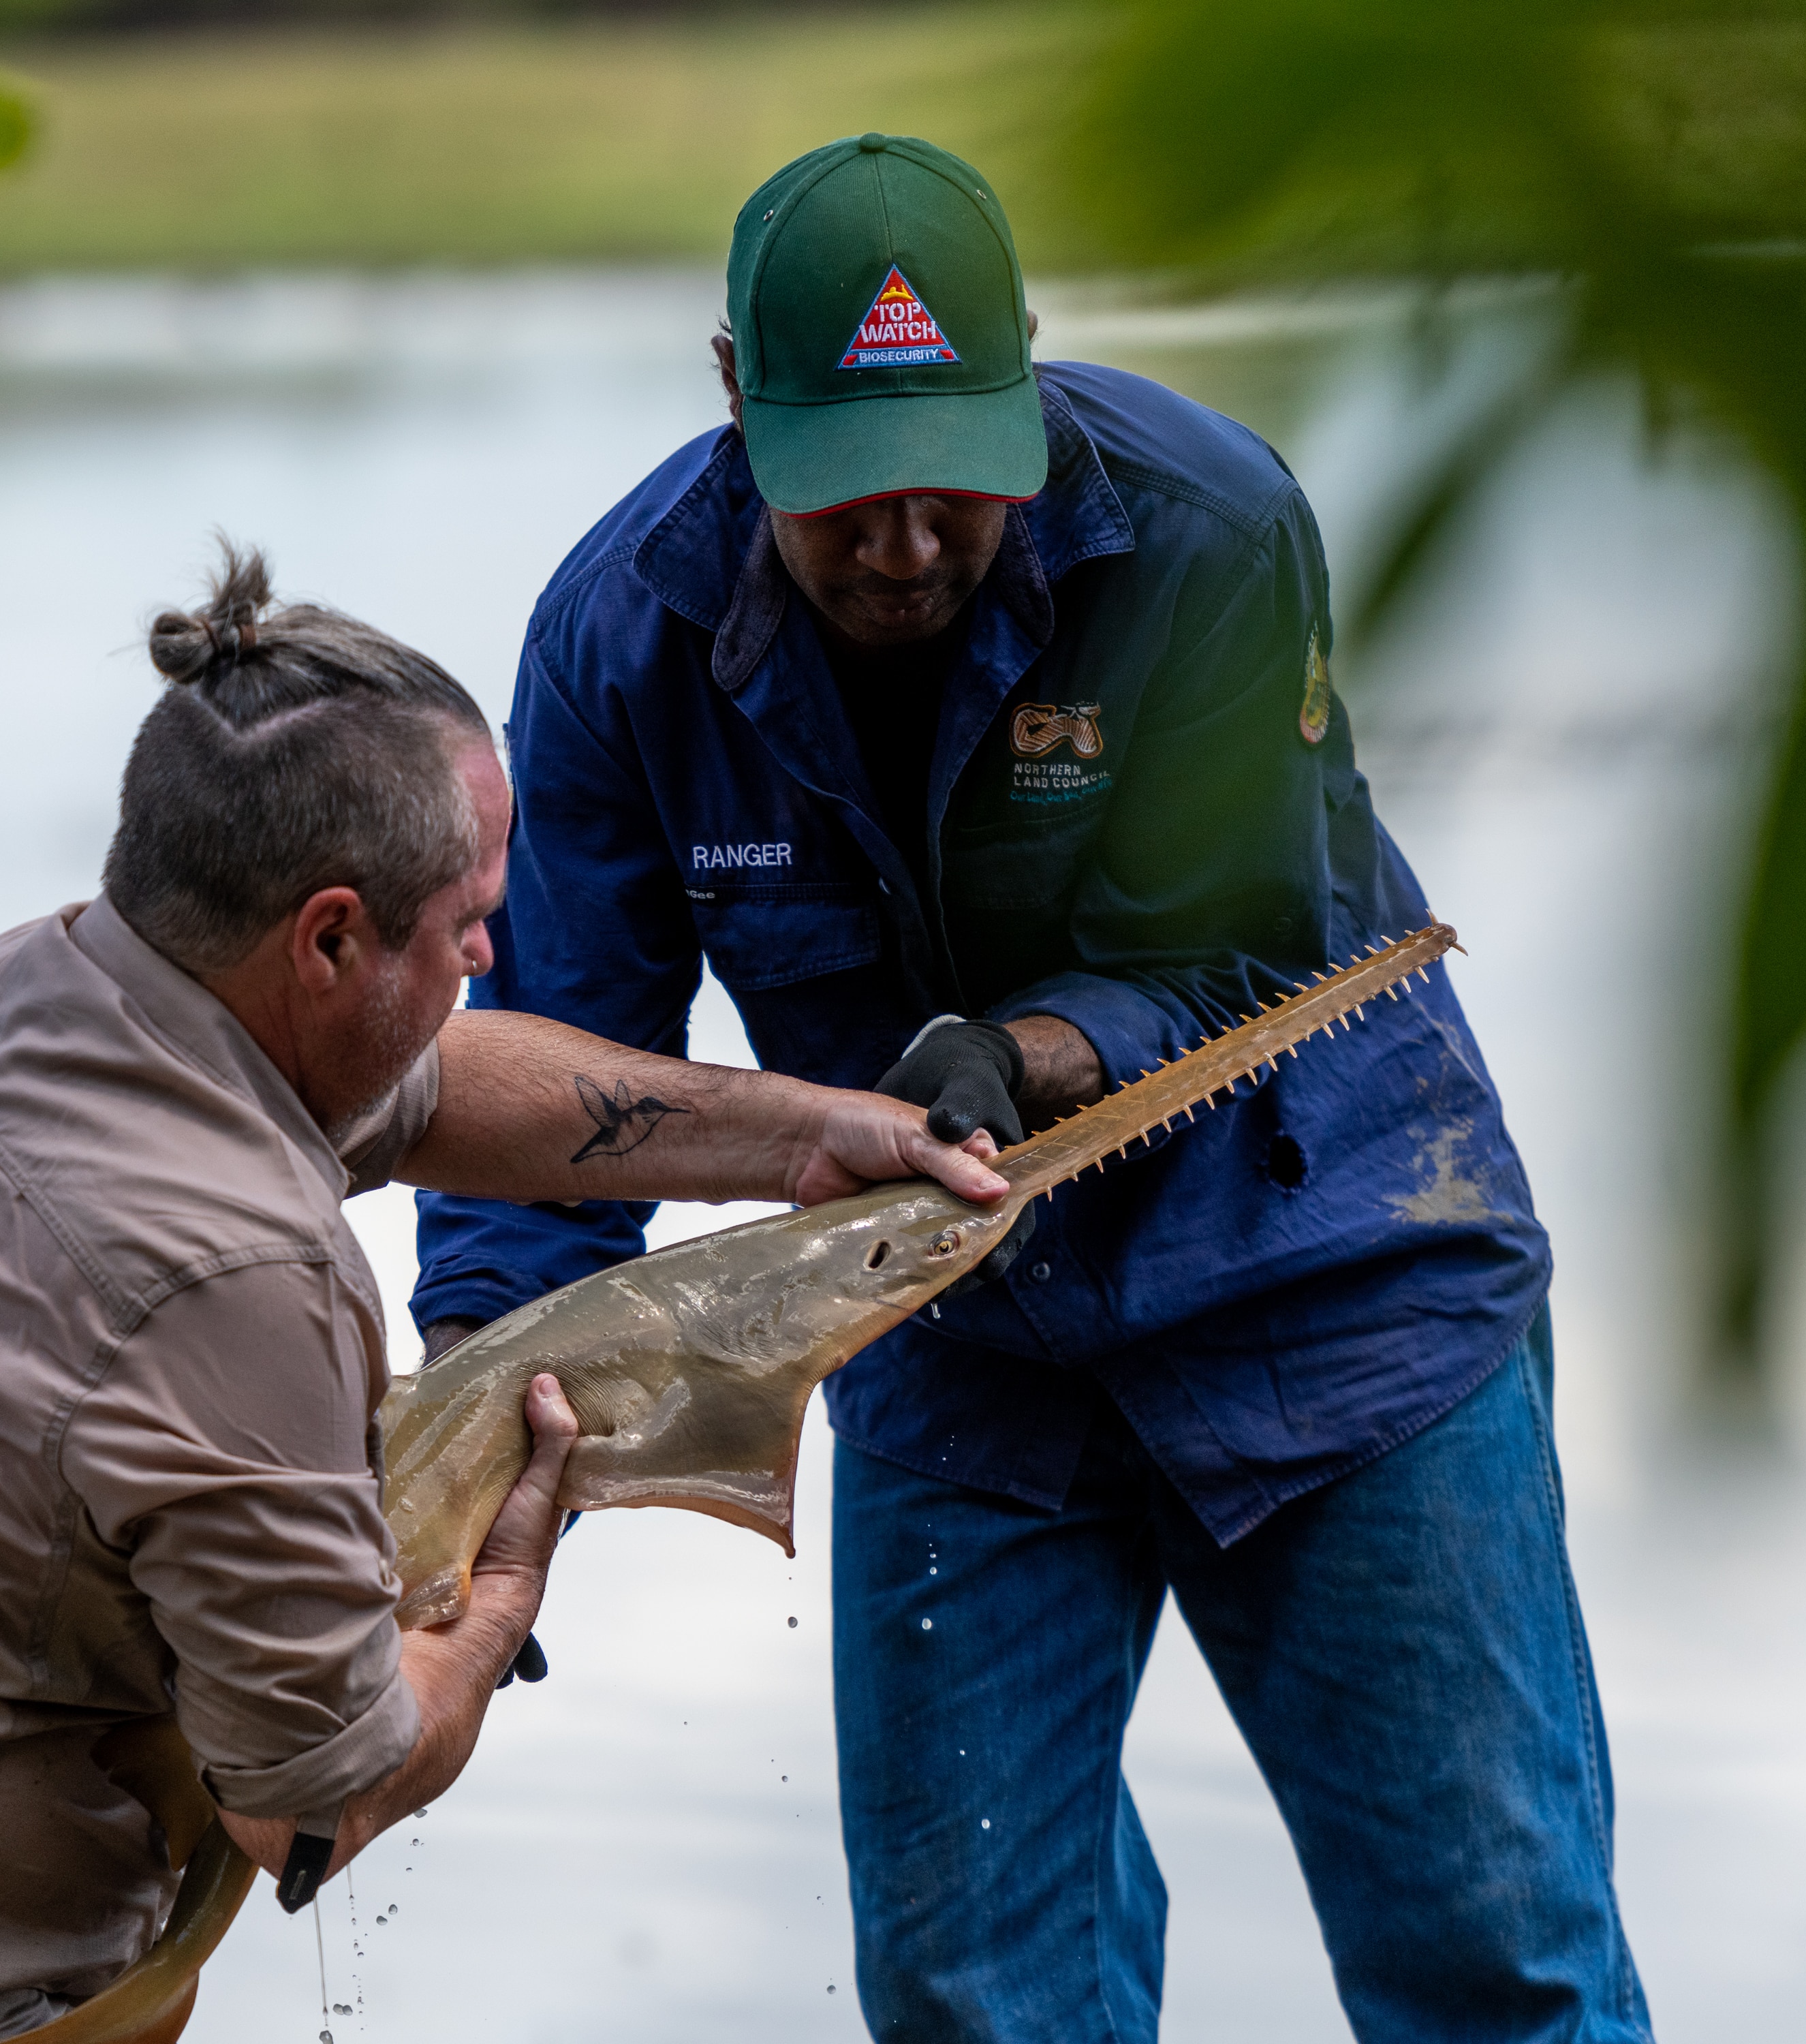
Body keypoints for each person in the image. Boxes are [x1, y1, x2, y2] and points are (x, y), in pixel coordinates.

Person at [411, 135, 1653, 2042]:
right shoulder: (618, 640)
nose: (905, 548)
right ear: (740, 404)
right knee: (967, 1995)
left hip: (1336, 1284)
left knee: (1488, 1956)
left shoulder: (1208, 523)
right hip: (943, 1336)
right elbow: (550, 1079)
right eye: (846, 502)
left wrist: (1021, 1053)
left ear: (1024, 383)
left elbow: (1262, 941)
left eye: (950, 492)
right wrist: (488, 1437)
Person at [0, 545, 1007, 2044]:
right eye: (468, 923)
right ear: (332, 936)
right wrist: (497, 1593)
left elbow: (428, 1093)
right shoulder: (237, 1279)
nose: (495, 955)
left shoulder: (31, 994)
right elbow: (315, 1798)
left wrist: (809, 1131)